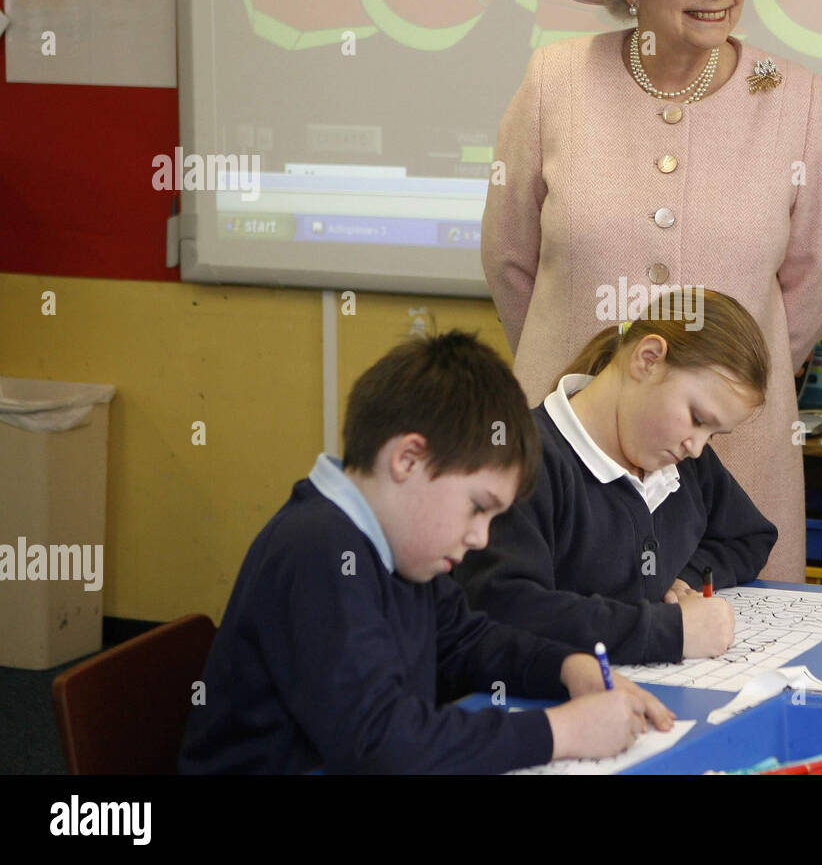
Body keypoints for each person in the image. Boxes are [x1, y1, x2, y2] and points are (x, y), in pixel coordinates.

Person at [483, 0, 822, 583]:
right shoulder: (556, 81)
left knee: (737, 651)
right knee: (561, 648)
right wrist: (593, 384)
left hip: (730, 454)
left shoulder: (794, 98)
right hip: (571, 454)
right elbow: (511, 260)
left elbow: (811, 280)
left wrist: (721, 386)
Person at [179, 332, 673, 774]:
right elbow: (381, 743)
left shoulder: (398, 546)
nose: (481, 537)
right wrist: (560, 733)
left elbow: (465, 641)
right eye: (477, 507)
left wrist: (567, 667)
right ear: (408, 459)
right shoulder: (319, 550)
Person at [455, 288, 776, 664]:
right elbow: (507, 608)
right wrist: (666, 631)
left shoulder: (683, 462)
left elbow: (749, 537)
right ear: (648, 359)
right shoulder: (522, 463)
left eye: (713, 434)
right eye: (697, 419)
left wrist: (681, 580)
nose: (698, 447)